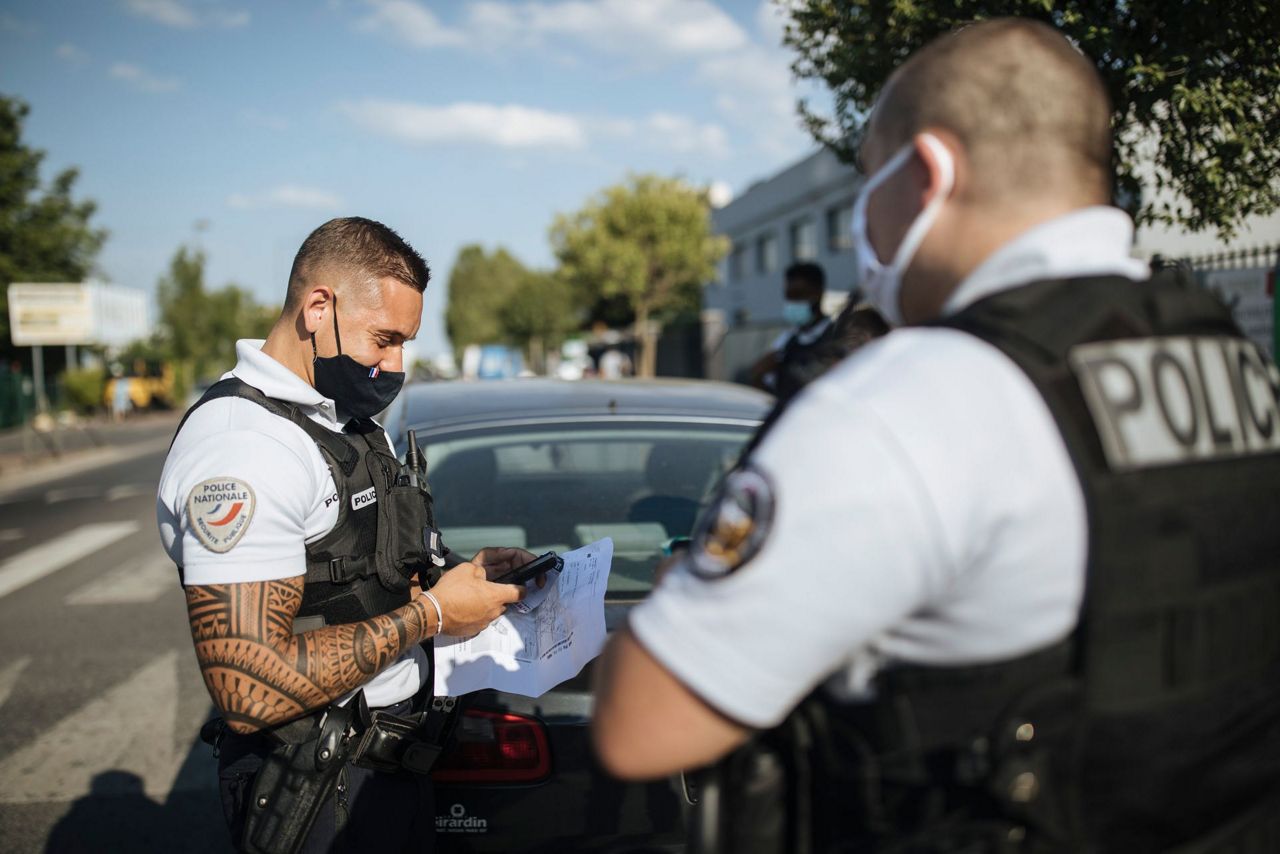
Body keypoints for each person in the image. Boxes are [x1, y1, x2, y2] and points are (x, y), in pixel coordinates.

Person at [592, 18, 1280, 854]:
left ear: (927, 173)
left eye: (864, 186)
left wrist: (683, 583)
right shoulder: (1224, 354)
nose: (859, 231)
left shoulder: (912, 397)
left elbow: (642, 727)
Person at [157, 217, 532, 853]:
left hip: (384, 766)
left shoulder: (344, 423)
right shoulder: (243, 448)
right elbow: (249, 687)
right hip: (315, 784)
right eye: (384, 339)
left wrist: (456, 578)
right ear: (318, 307)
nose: (396, 364)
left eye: (405, 343)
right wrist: (433, 615)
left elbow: (367, 570)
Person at [747, 261, 833, 401]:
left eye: (799, 295)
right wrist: (758, 374)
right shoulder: (786, 341)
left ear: (818, 294)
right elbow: (763, 384)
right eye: (789, 296)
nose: (793, 302)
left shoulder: (837, 337)